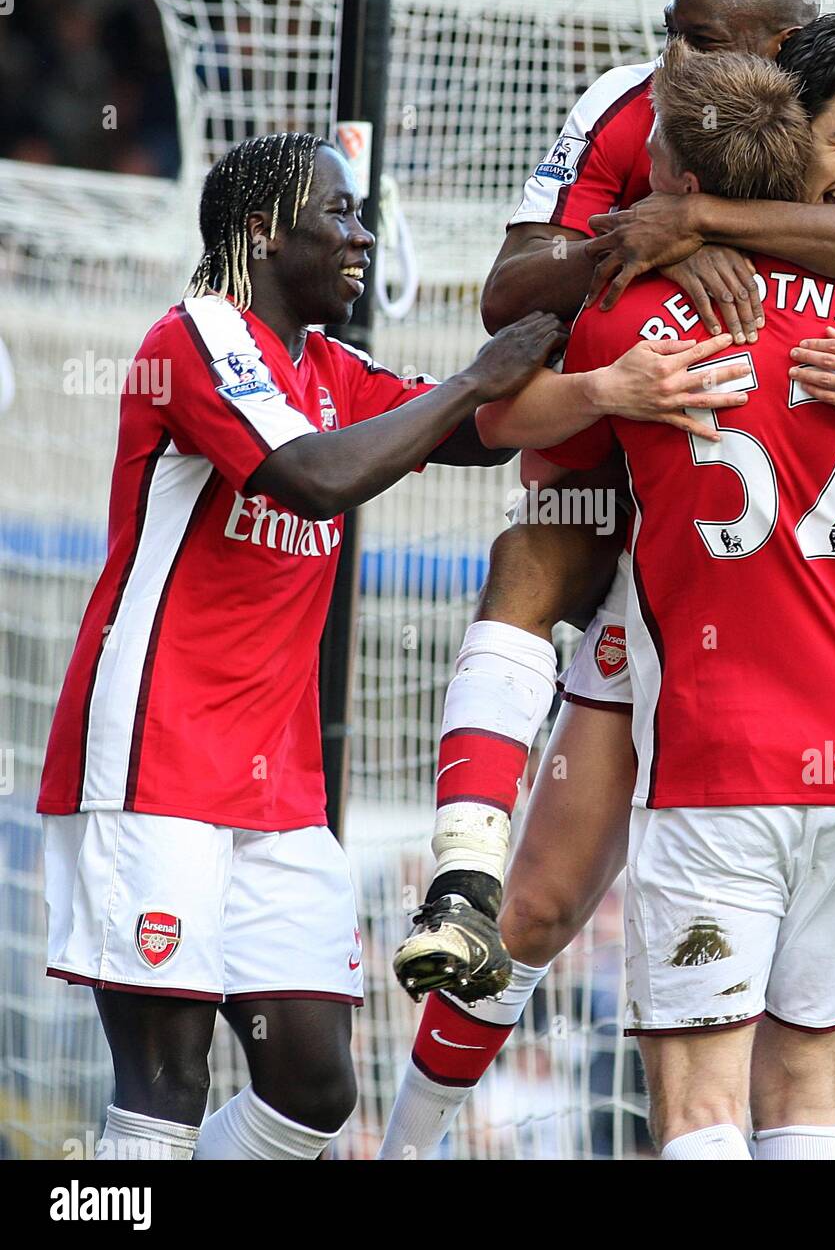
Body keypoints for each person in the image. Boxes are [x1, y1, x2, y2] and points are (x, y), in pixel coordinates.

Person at [385, 0, 835, 1160]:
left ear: (781, 54)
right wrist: (662, 246)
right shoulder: (629, 107)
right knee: (540, 902)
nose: (670, 56)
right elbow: (511, 288)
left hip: (807, 592)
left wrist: (698, 222)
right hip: (668, 545)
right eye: (671, 31)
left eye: (698, 37)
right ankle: (438, 988)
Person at [36, 130, 719, 1161]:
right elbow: (314, 477)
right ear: (263, 232)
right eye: (339, 214)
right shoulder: (196, 336)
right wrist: (474, 379)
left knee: (312, 1093)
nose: (361, 236)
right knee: (166, 1086)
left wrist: (603, 383)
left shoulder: (327, 367)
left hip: (275, 785)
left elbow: (467, 432)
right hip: (152, 759)